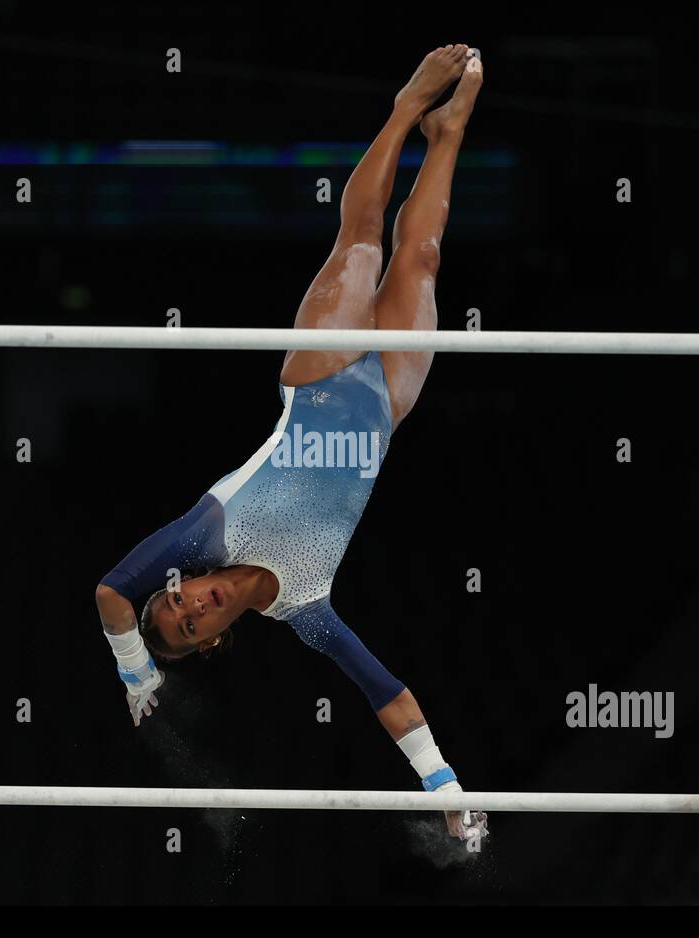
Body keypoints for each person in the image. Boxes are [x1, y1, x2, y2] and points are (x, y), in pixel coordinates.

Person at [96, 45, 487, 842]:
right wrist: (443, 788)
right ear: (219, 637)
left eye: (174, 601)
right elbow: (387, 692)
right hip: (385, 404)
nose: (189, 603)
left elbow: (109, 593)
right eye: (193, 624)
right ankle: (447, 134)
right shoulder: (307, 610)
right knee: (424, 255)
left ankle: (406, 107)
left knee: (364, 238)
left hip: (318, 375)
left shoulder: (207, 531)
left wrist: (135, 665)